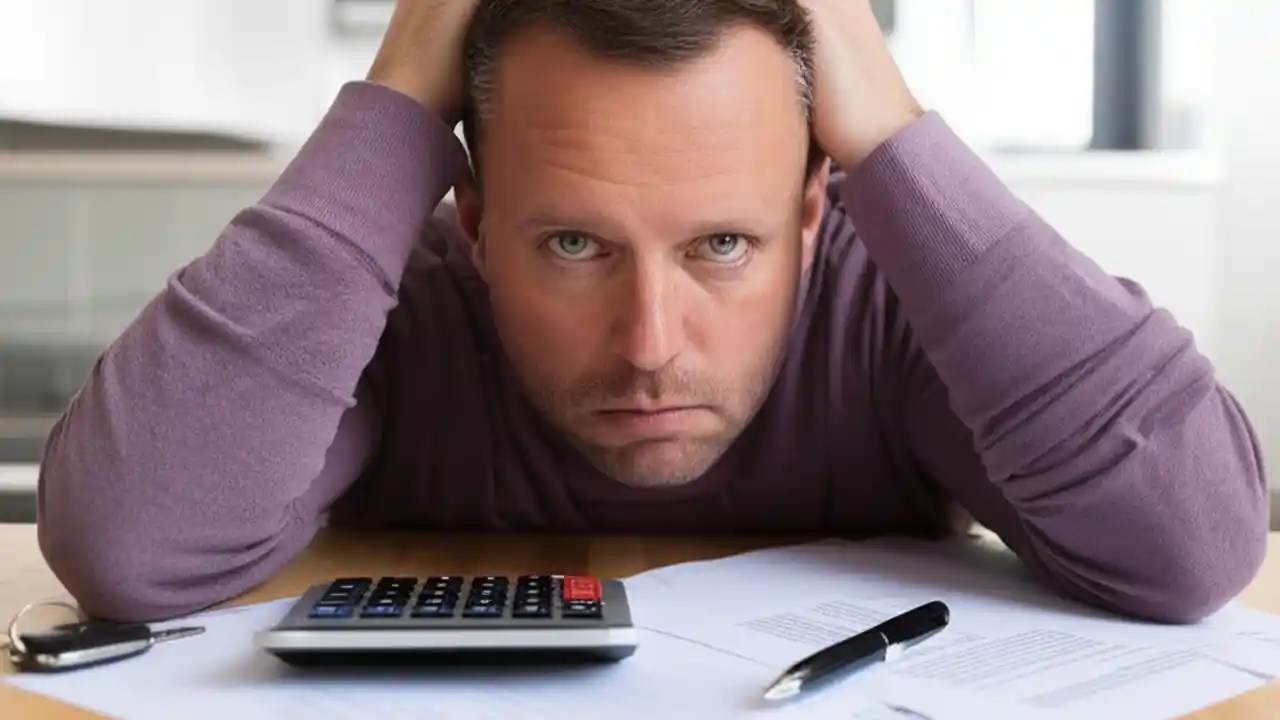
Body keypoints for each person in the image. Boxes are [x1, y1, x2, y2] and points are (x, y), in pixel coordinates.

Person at [36, 0, 1269, 625]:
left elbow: (1194, 544)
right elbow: (133, 544)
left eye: (722, 244)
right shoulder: (386, 310)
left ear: (810, 211)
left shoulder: (895, 303)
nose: (648, 347)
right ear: (467, 218)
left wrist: (893, 132)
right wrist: (396, 97)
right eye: (571, 243)